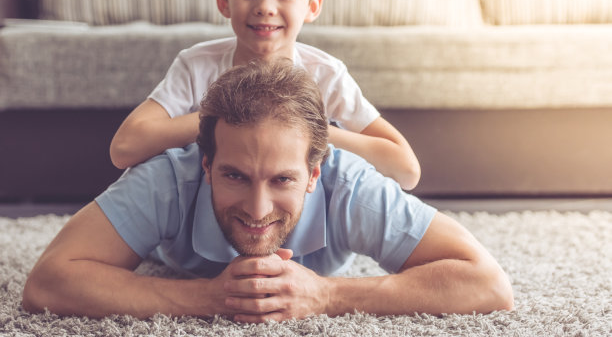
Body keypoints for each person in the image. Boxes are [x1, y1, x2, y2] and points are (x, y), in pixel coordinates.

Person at [23, 60, 514, 322]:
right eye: (235, 175)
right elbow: (48, 282)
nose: (257, 210)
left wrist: (325, 296)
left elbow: (487, 283)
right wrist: (209, 299)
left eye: (282, 180)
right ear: (208, 164)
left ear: (315, 173)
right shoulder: (171, 176)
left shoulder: (350, 181)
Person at [109, 0, 420, 190]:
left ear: (312, 7)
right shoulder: (196, 65)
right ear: (224, 2)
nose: (265, 8)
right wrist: (226, 118)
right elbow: (124, 148)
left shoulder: (327, 74)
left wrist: (304, 129)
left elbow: (406, 171)